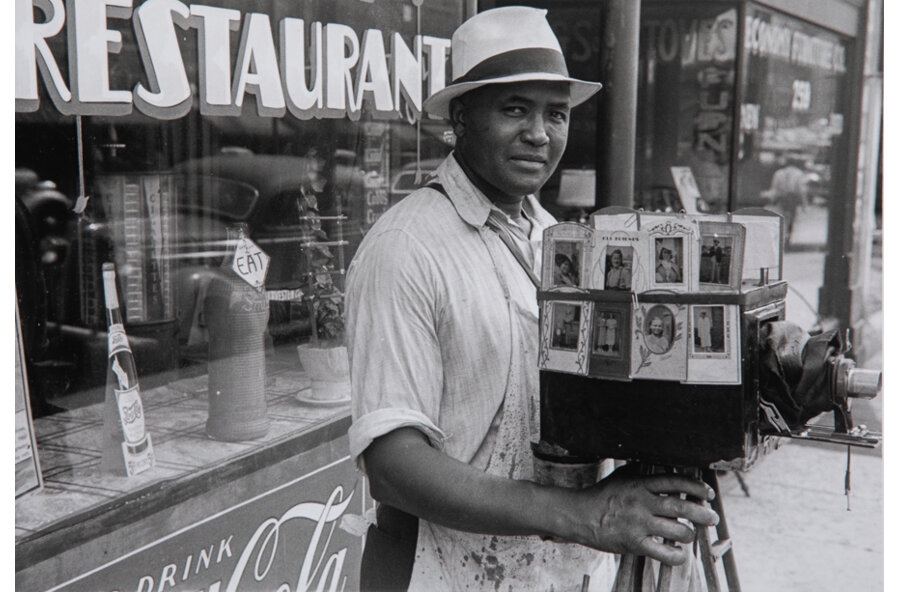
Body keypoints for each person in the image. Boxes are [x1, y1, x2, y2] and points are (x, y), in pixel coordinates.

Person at [345, 7, 718, 590]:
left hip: (558, 573)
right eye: (515, 109)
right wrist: (585, 515)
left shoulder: (554, 238)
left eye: (557, 114)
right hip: (439, 575)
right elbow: (392, 466)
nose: (540, 134)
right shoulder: (406, 247)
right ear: (461, 117)